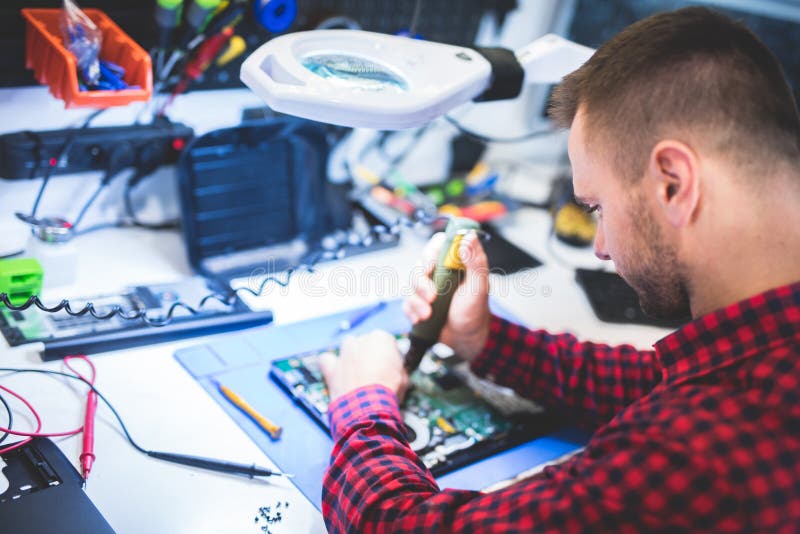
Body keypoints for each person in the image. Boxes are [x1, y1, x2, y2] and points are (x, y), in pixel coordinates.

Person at [319, 6, 800, 532]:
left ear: (673, 184)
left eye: (598, 208)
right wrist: (484, 340)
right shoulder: (766, 350)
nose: (599, 247)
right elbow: (658, 381)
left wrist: (361, 406)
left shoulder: (696, 448)